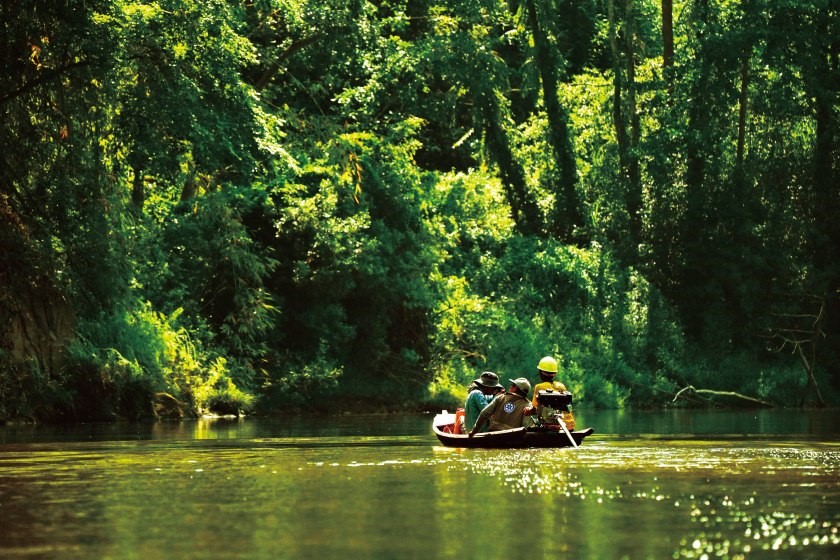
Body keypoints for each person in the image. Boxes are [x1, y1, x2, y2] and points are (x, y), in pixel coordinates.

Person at [468, 377, 533, 435]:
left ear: (515, 388)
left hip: (493, 434)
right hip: (512, 437)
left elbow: (484, 414)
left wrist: (474, 431)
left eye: (512, 385)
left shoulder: (500, 397)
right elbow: (525, 426)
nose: (510, 387)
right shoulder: (528, 405)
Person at [531, 356, 576, 431]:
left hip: (554, 427)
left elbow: (534, 409)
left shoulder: (539, 387)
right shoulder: (561, 386)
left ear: (540, 372)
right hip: (569, 426)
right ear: (554, 373)